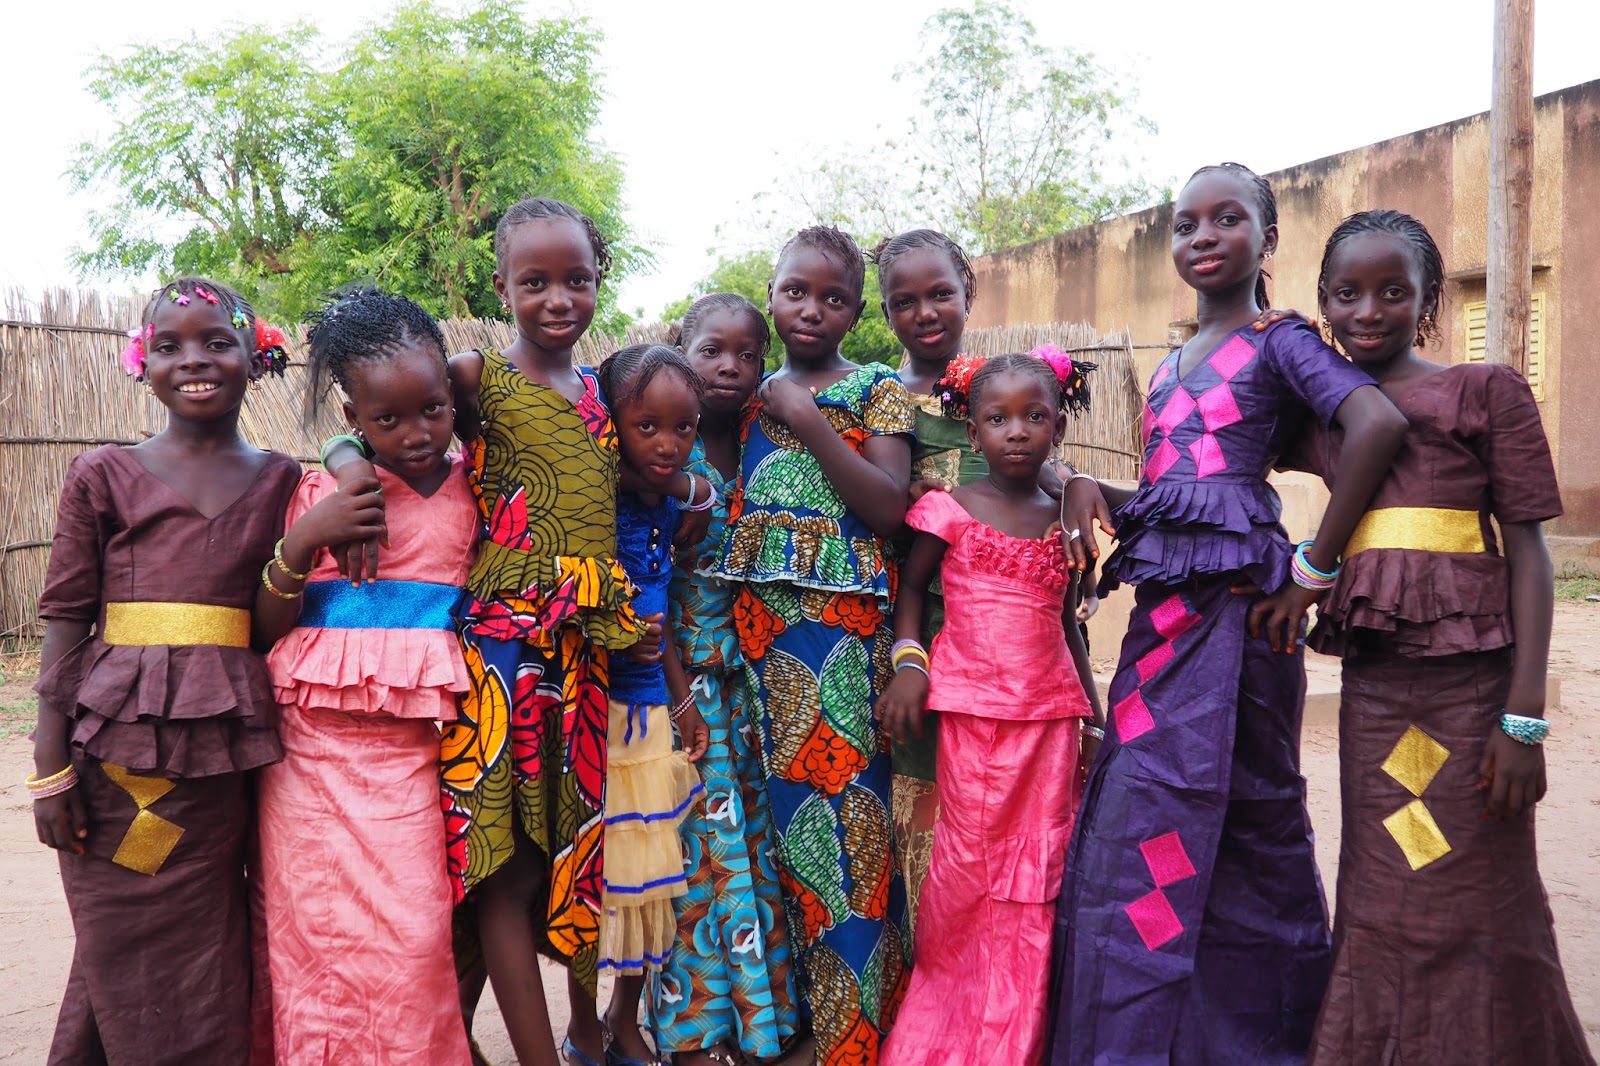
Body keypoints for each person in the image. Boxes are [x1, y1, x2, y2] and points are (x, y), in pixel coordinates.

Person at [319, 197, 710, 1066]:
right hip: (504, 650)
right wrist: (346, 469)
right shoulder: (474, 379)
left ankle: (536, 1036)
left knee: (564, 854)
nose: (557, 299)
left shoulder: (607, 393)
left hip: (585, 655)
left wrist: (695, 491)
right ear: (501, 288)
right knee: (502, 862)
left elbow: (655, 466)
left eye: (576, 279)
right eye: (534, 282)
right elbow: (372, 423)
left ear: (600, 281)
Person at [1050, 163, 1409, 1064]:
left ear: (1268, 238)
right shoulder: (1169, 367)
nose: (1203, 237)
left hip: (1244, 624)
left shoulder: (1279, 342)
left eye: (1227, 219)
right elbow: (1175, 503)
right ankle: (1147, 1040)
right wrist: (1090, 482)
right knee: (1140, 810)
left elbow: (1376, 426)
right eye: (1186, 225)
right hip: (1160, 633)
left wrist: (1314, 569)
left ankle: (1262, 1040)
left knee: (1247, 821)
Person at [1293, 210, 1593, 1064]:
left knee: (1483, 890)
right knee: (1383, 887)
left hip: (1474, 691)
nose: (1368, 311)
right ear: (1324, 303)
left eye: (1394, 292)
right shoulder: (1321, 415)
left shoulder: (1485, 391)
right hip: (1377, 692)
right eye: (1347, 294)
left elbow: (1528, 554)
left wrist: (1523, 722)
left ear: (1429, 303)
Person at [29, 277, 302, 1064]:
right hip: (113, 760)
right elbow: (67, 616)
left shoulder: (283, 480)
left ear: (256, 355)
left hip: (220, 758)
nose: (194, 360)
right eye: (170, 346)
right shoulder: (101, 474)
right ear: (141, 362)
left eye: (217, 342)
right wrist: (49, 767)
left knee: (198, 943)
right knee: (124, 935)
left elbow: (274, 619)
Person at [253, 288, 475, 1064]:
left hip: (412, 756)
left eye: (433, 410)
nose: (417, 433)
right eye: (388, 420)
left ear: (452, 399)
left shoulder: (476, 487)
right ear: (355, 418)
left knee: (415, 932)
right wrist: (303, 541)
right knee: (314, 938)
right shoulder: (323, 494)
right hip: (308, 760)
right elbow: (268, 629)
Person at [715, 225, 916, 1066]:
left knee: (853, 835)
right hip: (763, 653)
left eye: (834, 298)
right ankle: (807, 1022)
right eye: (795, 291)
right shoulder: (744, 394)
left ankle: (862, 1036)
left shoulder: (875, 389)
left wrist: (807, 418)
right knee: (787, 838)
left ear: (857, 312)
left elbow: (890, 508)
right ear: (771, 294)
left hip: (845, 652)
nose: (811, 309)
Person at [878, 353, 1106, 1066]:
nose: (1017, 431)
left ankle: (1019, 1034)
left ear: (1058, 429)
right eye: (998, 419)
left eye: (1035, 417)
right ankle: (956, 1032)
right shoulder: (949, 510)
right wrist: (909, 664)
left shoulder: (1064, 520)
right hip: (973, 721)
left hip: (1050, 726)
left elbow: (1067, 624)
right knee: (970, 872)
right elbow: (911, 593)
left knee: (1039, 874)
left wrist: (1093, 716)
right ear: (973, 435)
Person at [652, 295, 801, 1066]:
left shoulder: (766, 439)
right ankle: (694, 1031)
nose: (730, 367)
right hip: (679, 681)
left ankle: (762, 1022)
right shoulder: (657, 447)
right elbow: (645, 584)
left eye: (747, 354)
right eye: (712, 350)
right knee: (692, 859)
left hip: (752, 680)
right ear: (682, 349)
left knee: (755, 848)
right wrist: (679, 695)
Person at [587, 343, 710, 1065]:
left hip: (646, 718)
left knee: (646, 881)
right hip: (591, 712)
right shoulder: (593, 501)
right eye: (647, 427)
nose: (667, 444)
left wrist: (681, 697)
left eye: (683, 427)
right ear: (612, 424)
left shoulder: (670, 504)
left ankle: (622, 1017)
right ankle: (581, 1024)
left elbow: (657, 620)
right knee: (591, 879)